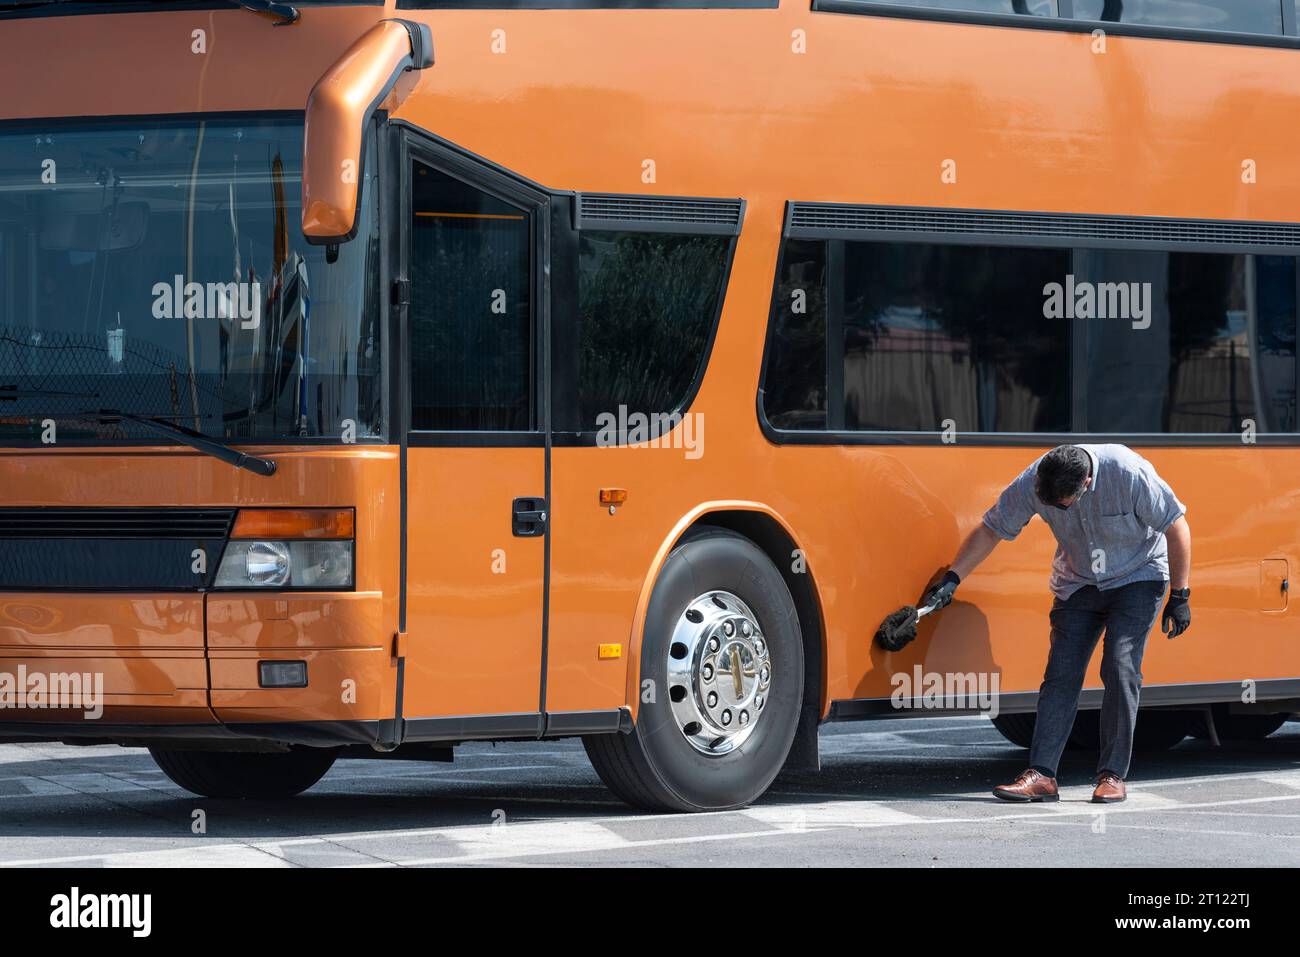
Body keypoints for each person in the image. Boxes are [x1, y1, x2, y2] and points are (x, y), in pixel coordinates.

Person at [924, 444, 1191, 804]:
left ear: (1089, 481)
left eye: (1065, 503)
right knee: (1060, 674)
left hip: (1137, 576)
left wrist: (1180, 596)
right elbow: (992, 528)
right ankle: (1042, 775)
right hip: (1078, 582)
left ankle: (1112, 775)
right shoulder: (1035, 481)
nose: (1060, 509)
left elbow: (1176, 525)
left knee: (1119, 665)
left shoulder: (1128, 472)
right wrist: (953, 578)